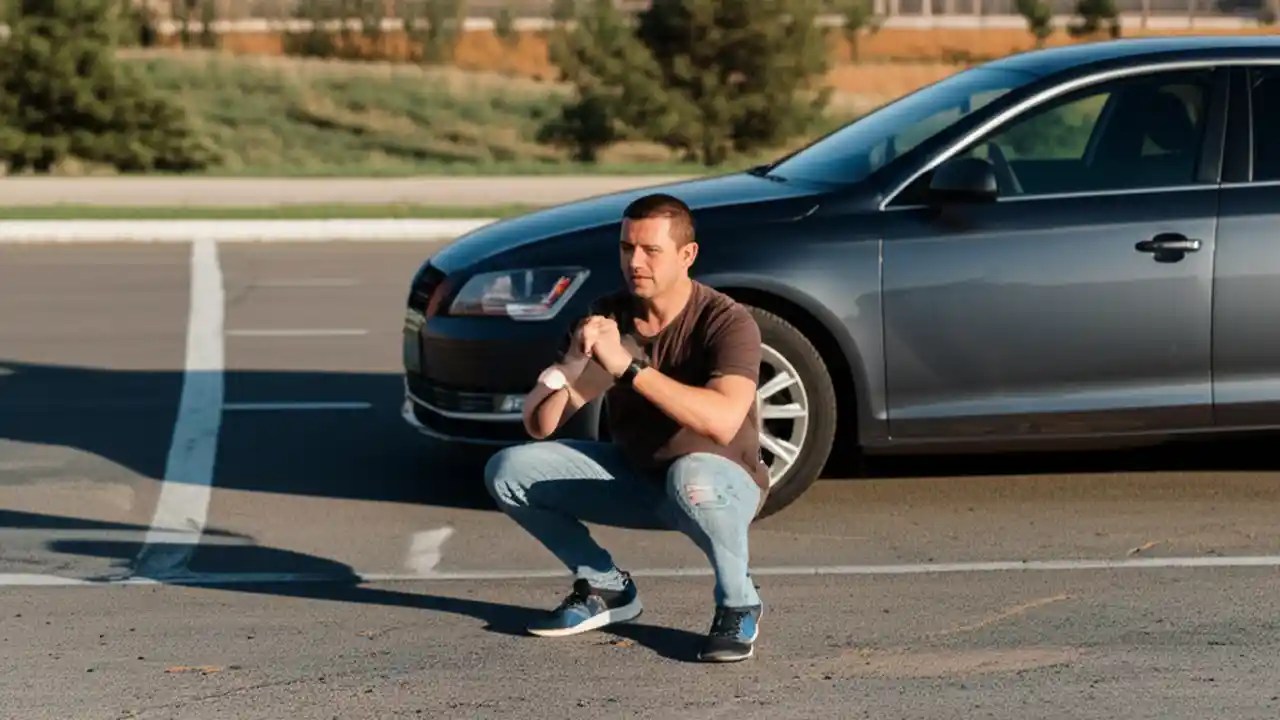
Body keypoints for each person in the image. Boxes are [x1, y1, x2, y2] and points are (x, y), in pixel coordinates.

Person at [483, 192, 770, 663]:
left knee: (692, 476)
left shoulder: (726, 321)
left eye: (650, 251)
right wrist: (572, 366)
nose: (635, 261)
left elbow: (721, 422)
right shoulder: (610, 317)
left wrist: (629, 368)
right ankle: (606, 587)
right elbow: (539, 424)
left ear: (687, 255)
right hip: (639, 479)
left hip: (722, 484)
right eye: (626, 248)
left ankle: (739, 602)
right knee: (509, 470)